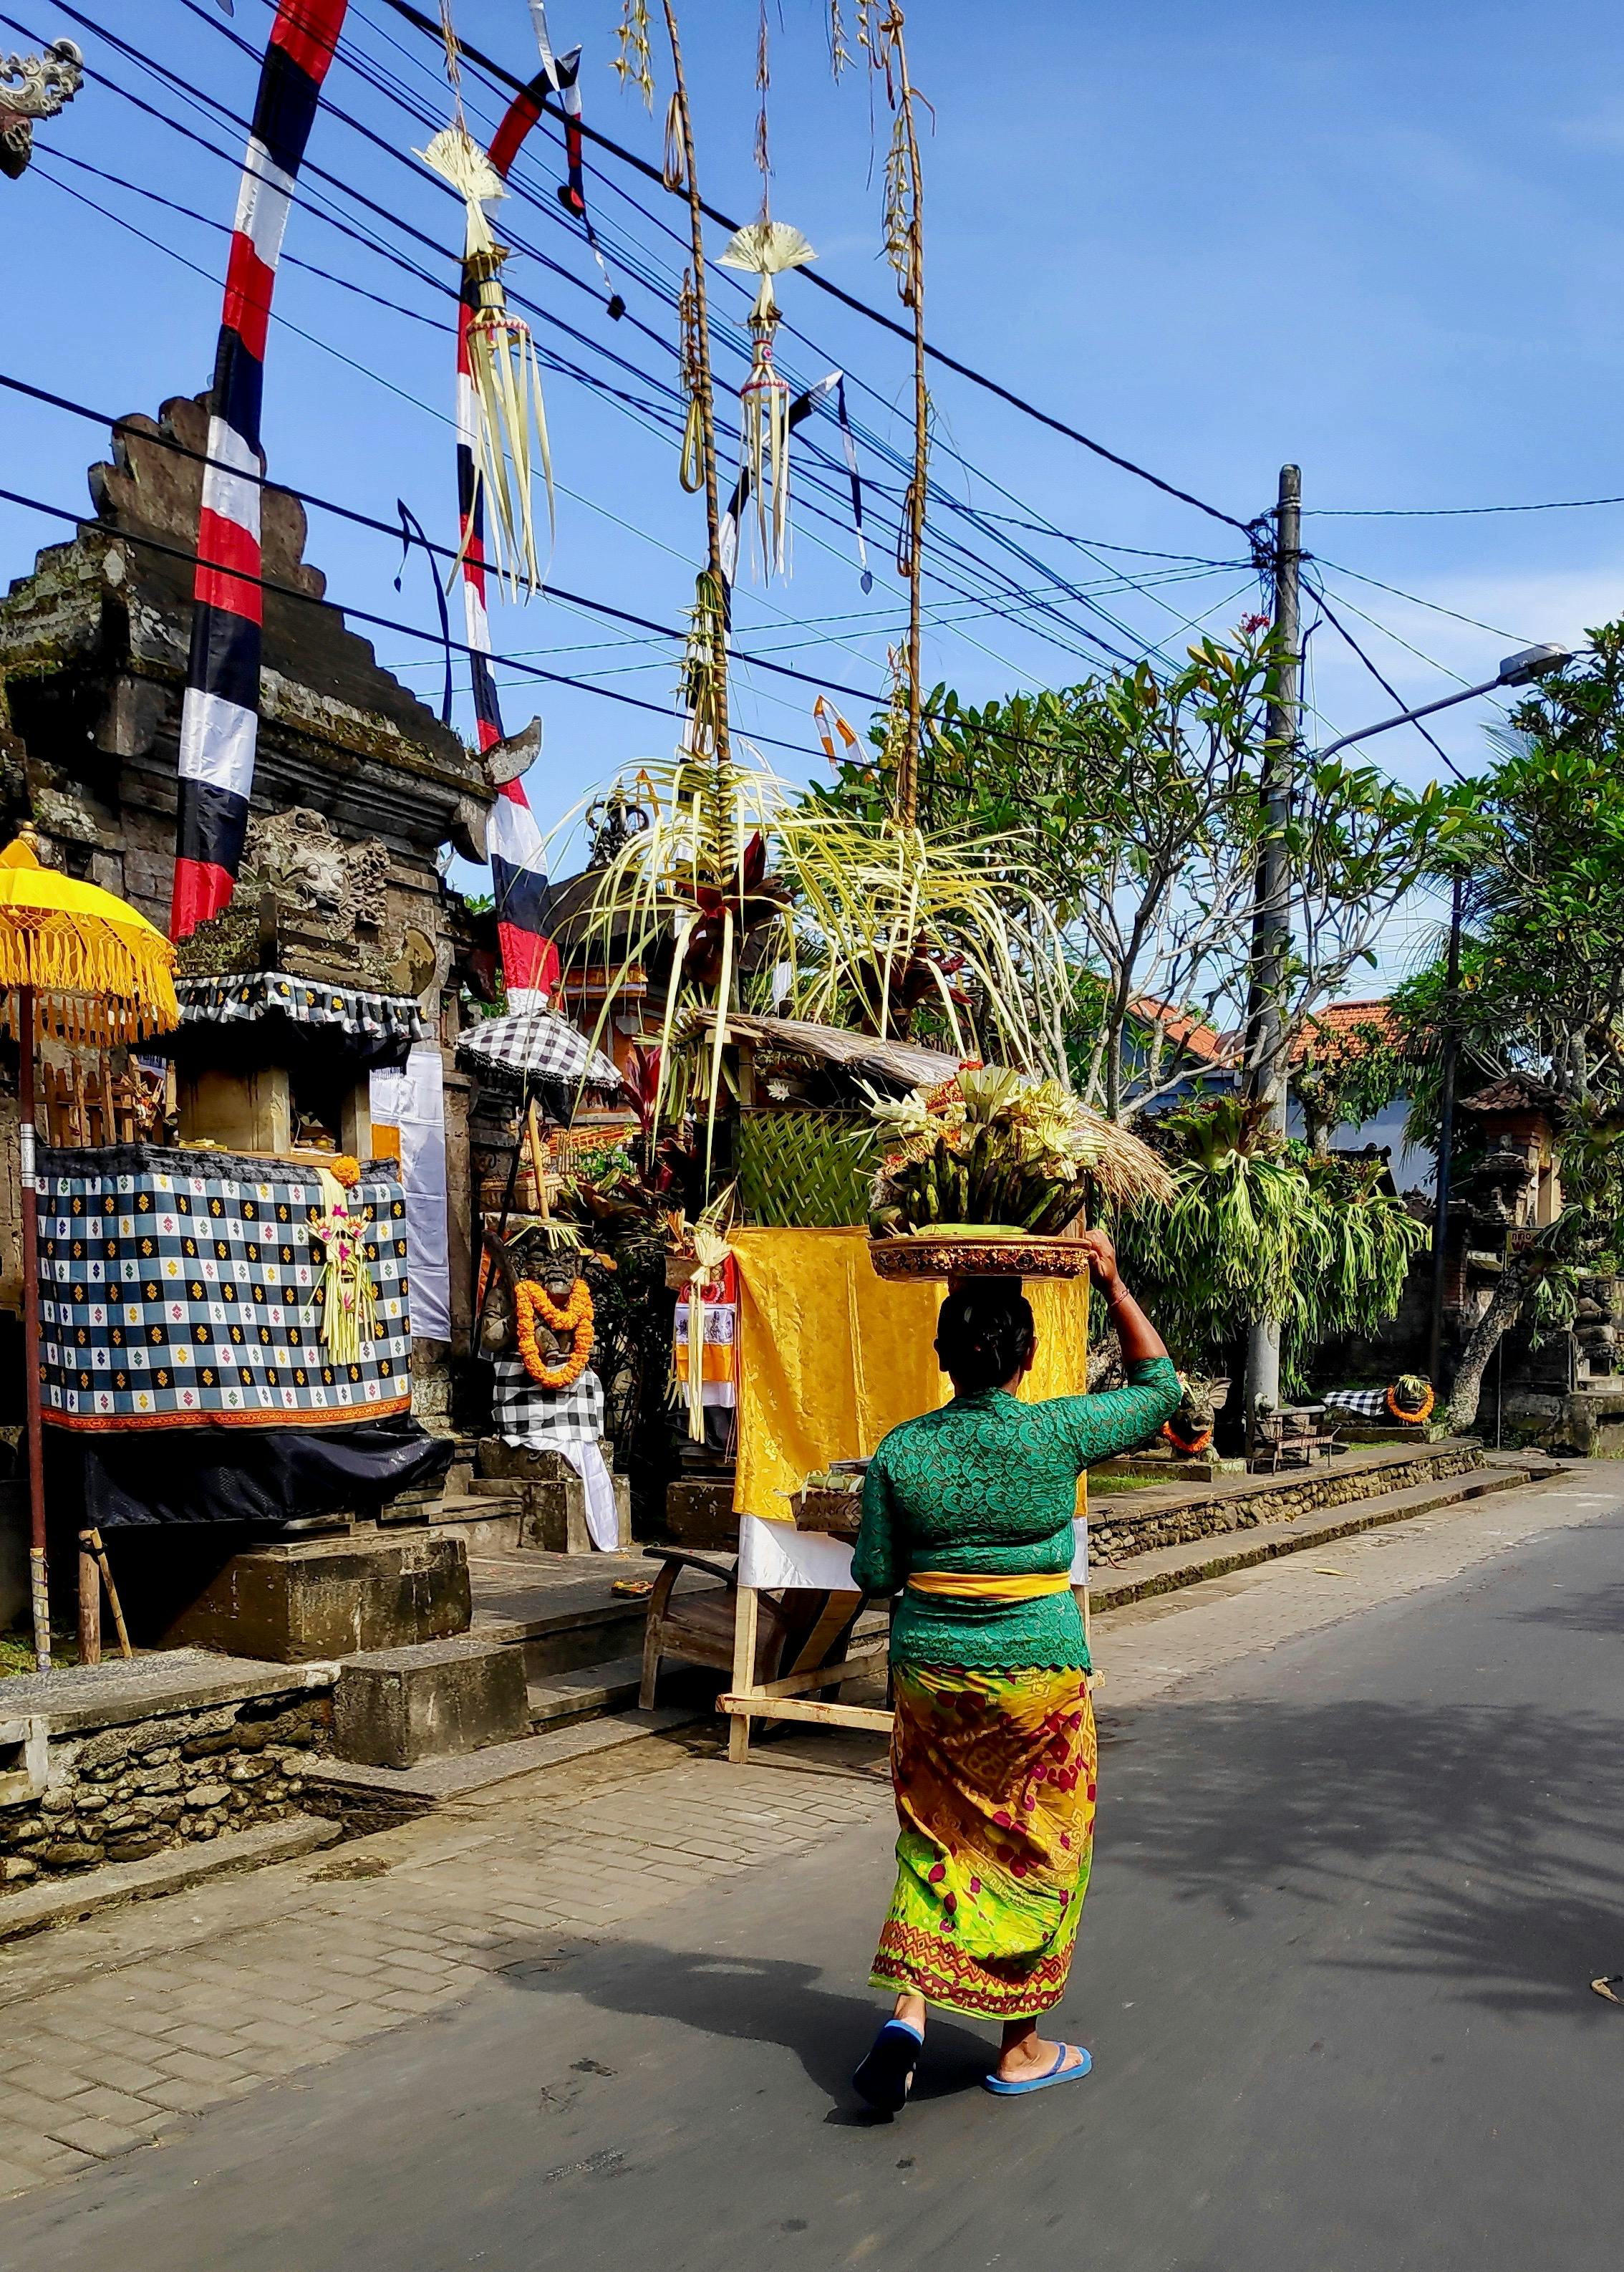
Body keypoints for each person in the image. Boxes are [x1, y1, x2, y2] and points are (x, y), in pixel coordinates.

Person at [849, 1228, 1179, 2111]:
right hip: (1035, 1673)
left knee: (938, 1837)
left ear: (943, 1356)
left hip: (930, 1670)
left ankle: (910, 2014)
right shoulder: (1059, 1429)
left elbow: (875, 1574)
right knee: (1036, 1842)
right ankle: (1020, 2047)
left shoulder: (901, 1449)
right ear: (1030, 1354)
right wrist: (1111, 1281)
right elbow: (1161, 1389)